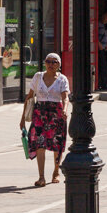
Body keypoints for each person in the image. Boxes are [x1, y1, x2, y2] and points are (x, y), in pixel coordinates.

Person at [21, 52, 70, 187]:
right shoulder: (38, 77)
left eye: (54, 62)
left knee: (56, 144)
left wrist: (65, 110)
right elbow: (29, 98)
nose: (51, 64)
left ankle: (55, 171)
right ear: (44, 63)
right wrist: (22, 119)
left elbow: (65, 98)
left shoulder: (62, 79)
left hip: (56, 114)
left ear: (59, 65)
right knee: (40, 144)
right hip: (40, 114)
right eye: (48, 61)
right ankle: (41, 177)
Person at [97, 10, 107, 90]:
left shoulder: (103, 25)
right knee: (102, 66)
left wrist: (106, 45)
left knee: (104, 65)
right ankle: (103, 84)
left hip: (103, 47)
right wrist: (100, 45)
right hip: (100, 48)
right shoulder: (99, 24)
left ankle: (104, 83)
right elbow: (95, 35)